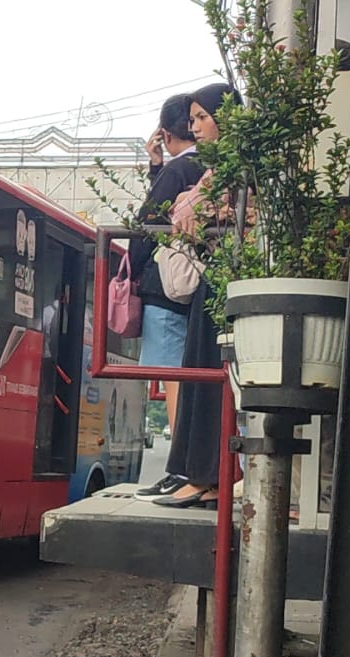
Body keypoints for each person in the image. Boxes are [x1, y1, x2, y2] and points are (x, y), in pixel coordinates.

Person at [155, 82, 244, 509]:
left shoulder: (233, 161)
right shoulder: (223, 163)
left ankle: (209, 477)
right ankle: (205, 476)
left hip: (227, 278)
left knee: (211, 379)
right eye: (192, 119)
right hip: (223, 276)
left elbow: (185, 211)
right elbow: (184, 211)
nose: (195, 127)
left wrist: (199, 207)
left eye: (202, 117)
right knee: (205, 378)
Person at [135, 94, 207, 498]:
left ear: (164, 133)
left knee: (174, 378)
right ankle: (195, 466)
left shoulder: (178, 169)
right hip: (199, 283)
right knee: (198, 376)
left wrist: (130, 273)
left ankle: (182, 469)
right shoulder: (213, 166)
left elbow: (147, 225)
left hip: (167, 286)